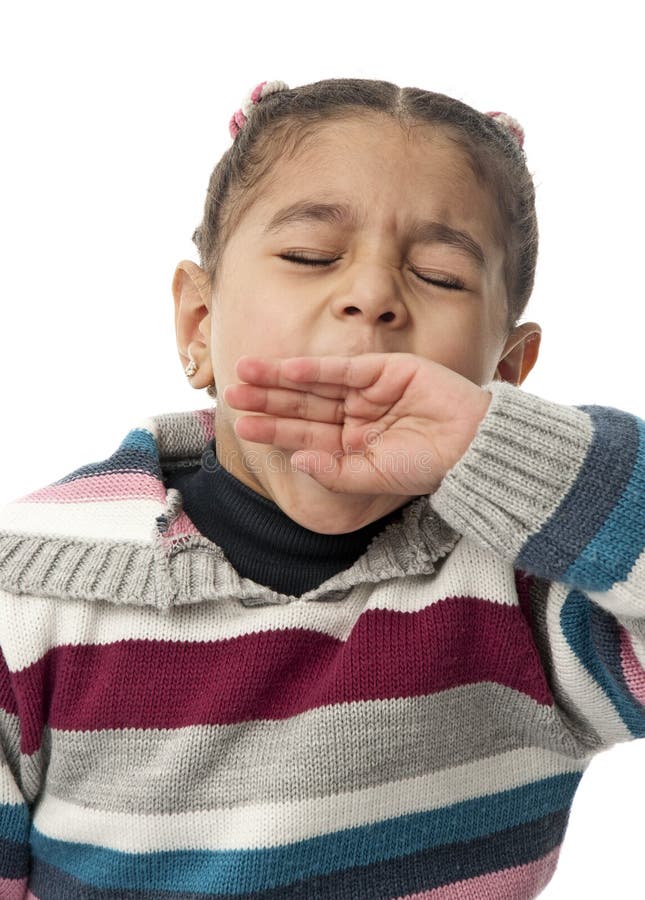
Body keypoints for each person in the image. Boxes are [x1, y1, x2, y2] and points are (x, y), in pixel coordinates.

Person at [0, 77, 642, 899]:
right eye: (309, 258)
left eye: (441, 276)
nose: (371, 298)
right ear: (200, 326)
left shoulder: (534, 588)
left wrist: (500, 446)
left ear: (506, 374)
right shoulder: (29, 590)